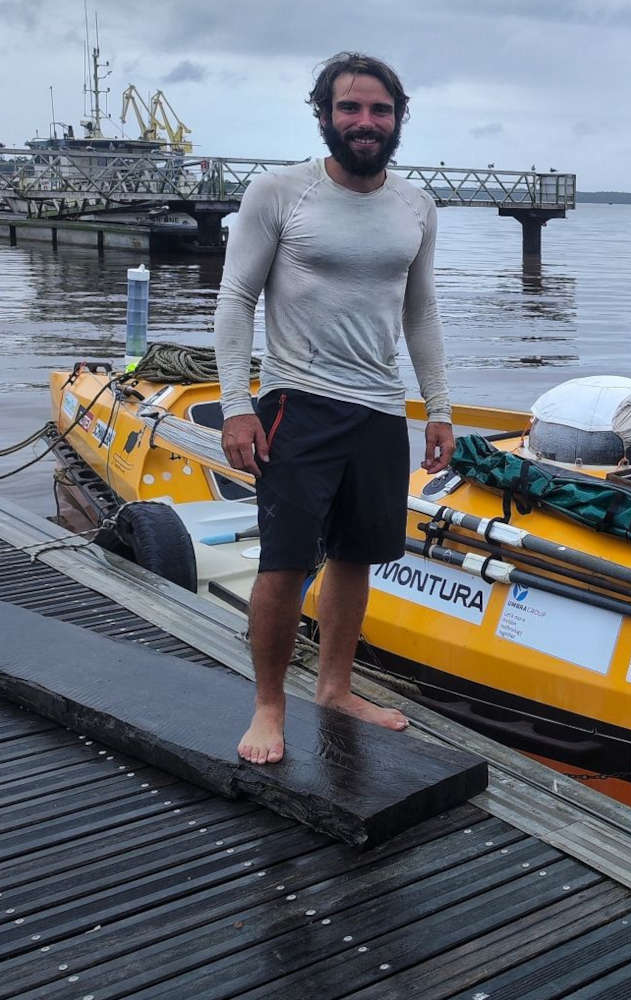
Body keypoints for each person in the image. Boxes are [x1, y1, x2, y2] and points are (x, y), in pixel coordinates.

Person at [213, 52, 454, 764]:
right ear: (324, 115)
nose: (364, 122)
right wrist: (235, 406)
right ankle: (267, 706)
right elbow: (236, 300)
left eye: (379, 110)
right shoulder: (280, 193)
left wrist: (437, 408)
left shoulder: (416, 206)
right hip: (298, 401)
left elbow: (422, 313)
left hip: (380, 412)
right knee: (285, 563)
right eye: (350, 108)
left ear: (398, 119)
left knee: (357, 558)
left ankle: (335, 687)